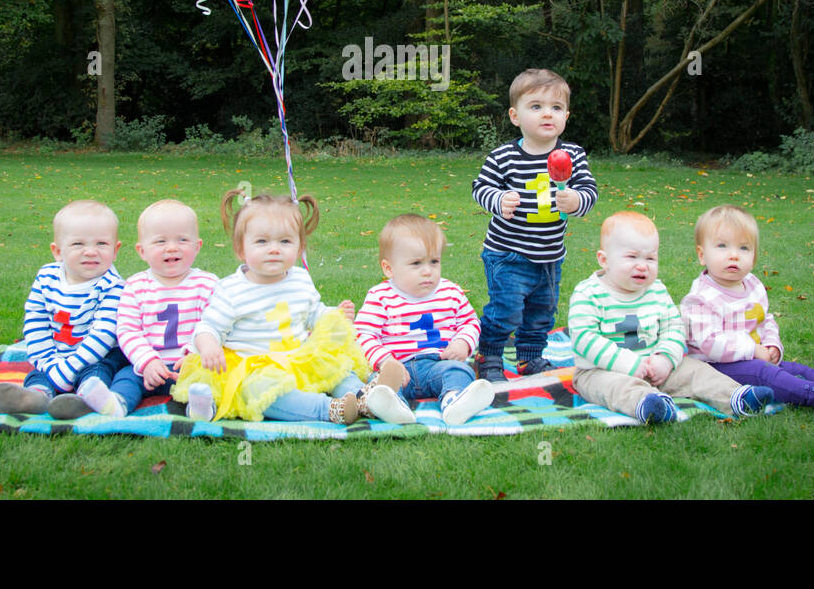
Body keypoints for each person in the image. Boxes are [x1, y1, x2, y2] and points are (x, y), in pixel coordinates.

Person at [171, 190, 380, 424]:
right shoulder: (231, 290)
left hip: (298, 359)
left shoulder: (300, 280)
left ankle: (367, 397)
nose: (274, 249)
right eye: (262, 241)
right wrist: (209, 346)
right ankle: (331, 409)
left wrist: (334, 315)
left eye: (285, 241)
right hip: (254, 368)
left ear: (300, 247)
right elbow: (208, 327)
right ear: (241, 249)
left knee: (336, 369)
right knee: (263, 394)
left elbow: (314, 313)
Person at [680, 204, 814, 417]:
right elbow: (709, 343)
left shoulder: (752, 285)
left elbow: (765, 320)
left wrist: (772, 345)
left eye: (744, 248)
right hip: (715, 368)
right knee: (764, 373)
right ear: (702, 255)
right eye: (722, 246)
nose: (734, 255)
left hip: (752, 357)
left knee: (796, 370)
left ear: (753, 257)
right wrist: (753, 350)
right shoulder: (701, 297)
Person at [569, 211, 774, 424]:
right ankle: (650, 405)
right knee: (614, 387)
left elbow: (674, 327)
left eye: (650, 258)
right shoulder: (589, 293)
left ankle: (735, 397)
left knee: (696, 371)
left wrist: (666, 358)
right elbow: (585, 339)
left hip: (654, 364)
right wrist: (627, 363)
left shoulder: (656, 290)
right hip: (602, 370)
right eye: (632, 257)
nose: (642, 265)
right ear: (604, 260)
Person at [472, 68, 598, 382]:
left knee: (542, 312)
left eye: (556, 108)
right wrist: (498, 200)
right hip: (507, 253)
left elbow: (589, 191)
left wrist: (576, 200)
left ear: (566, 116)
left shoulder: (572, 155)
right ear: (515, 116)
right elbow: (480, 187)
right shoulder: (503, 157)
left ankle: (530, 357)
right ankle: (488, 357)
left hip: (549, 254)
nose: (547, 114)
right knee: (506, 310)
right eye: (536, 107)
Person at [73, 200, 218, 418]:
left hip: (189, 362)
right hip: (148, 365)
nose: (172, 247)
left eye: (182, 240)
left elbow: (215, 324)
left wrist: (194, 353)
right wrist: (147, 360)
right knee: (126, 377)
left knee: (208, 379)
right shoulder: (135, 286)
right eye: (160, 241)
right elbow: (127, 330)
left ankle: (202, 407)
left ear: (197, 246)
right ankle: (116, 403)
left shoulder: (207, 284)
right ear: (142, 251)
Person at [353, 214, 495, 426]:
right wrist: (385, 361)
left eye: (434, 261)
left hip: (439, 364)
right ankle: (393, 406)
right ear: (389, 268)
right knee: (380, 384)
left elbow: (470, 322)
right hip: (397, 367)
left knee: (459, 371)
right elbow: (363, 333)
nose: (427, 271)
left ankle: (454, 401)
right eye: (416, 263)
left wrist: (462, 343)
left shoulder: (450, 292)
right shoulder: (380, 297)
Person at [0, 200, 127, 417]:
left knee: (98, 373)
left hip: (95, 356)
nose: (91, 252)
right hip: (54, 354)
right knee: (38, 374)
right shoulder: (47, 277)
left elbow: (103, 335)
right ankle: (35, 396)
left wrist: (67, 371)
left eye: (101, 244)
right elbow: (35, 321)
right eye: (78, 244)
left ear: (115, 249)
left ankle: (83, 400)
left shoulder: (114, 286)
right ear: (58, 251)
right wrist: (46, 361)